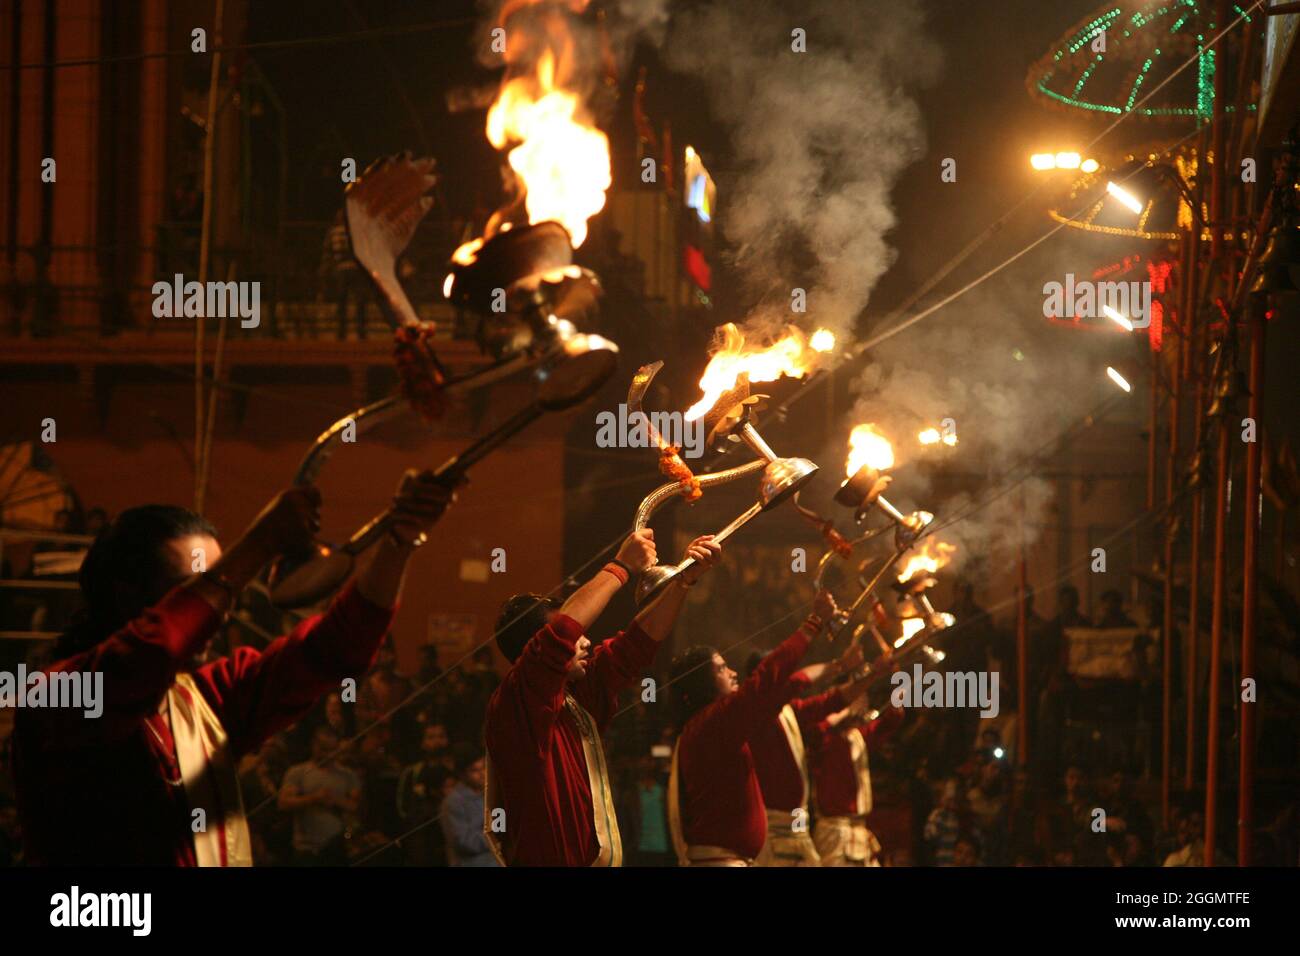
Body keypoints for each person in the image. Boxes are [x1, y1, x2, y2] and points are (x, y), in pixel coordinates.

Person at [11, 471, 453, 865]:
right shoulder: (56, 693)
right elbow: (149, 654)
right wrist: (260, 544)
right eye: (197, 590)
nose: (218, 613)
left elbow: (332, 649)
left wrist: (400, 541)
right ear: (127, 597)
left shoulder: (201, 697)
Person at [483, 529, 722, 866]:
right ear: (536, 651)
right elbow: (561, 633)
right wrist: (621, 566)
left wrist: (684, 579)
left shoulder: (576, 696)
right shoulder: (516, 701)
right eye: (573, 638)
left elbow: (636, 645)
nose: (584, 641)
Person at [666, 589, 838, 867]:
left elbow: (773, 694)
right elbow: (765, 682)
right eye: (721, 668)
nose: (732, 672)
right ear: (702, 682)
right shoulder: (713, 722)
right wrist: (813, 624)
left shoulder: (709, 725)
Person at [748, 640, 867, 866]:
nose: (788, 680)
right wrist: (839, 665)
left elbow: (831, 702)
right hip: (772, 827)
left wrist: (872, 675)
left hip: (796, 823)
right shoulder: (757, 712)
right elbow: (798, 684)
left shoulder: (788, 710)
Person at [809, 691, 904, 866]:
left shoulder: (857, 736)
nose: (863, 705)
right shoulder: (824, 738)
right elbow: (816, 731)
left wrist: (896, 704)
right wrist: (846, 710)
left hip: (858, 829)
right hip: (835, 831)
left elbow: (885, 726)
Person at [278, 724, 362, 866]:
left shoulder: (348, 775)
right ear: (313, 745)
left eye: (331, 750)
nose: (326, 754)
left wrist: (335, 800)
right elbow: (283, 803)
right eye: (323, 749)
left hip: (336, 848)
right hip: (306, 849)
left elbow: (356, 806)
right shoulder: (297, 772)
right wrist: (313, 798)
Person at [441, 745, 497, 866]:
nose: (482, 773)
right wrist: (495, 835)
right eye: (474, 770)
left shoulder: (493, 793)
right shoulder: (453, 802)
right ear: (462, 774)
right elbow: (464, 842)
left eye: (484, 767)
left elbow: (502, 824)